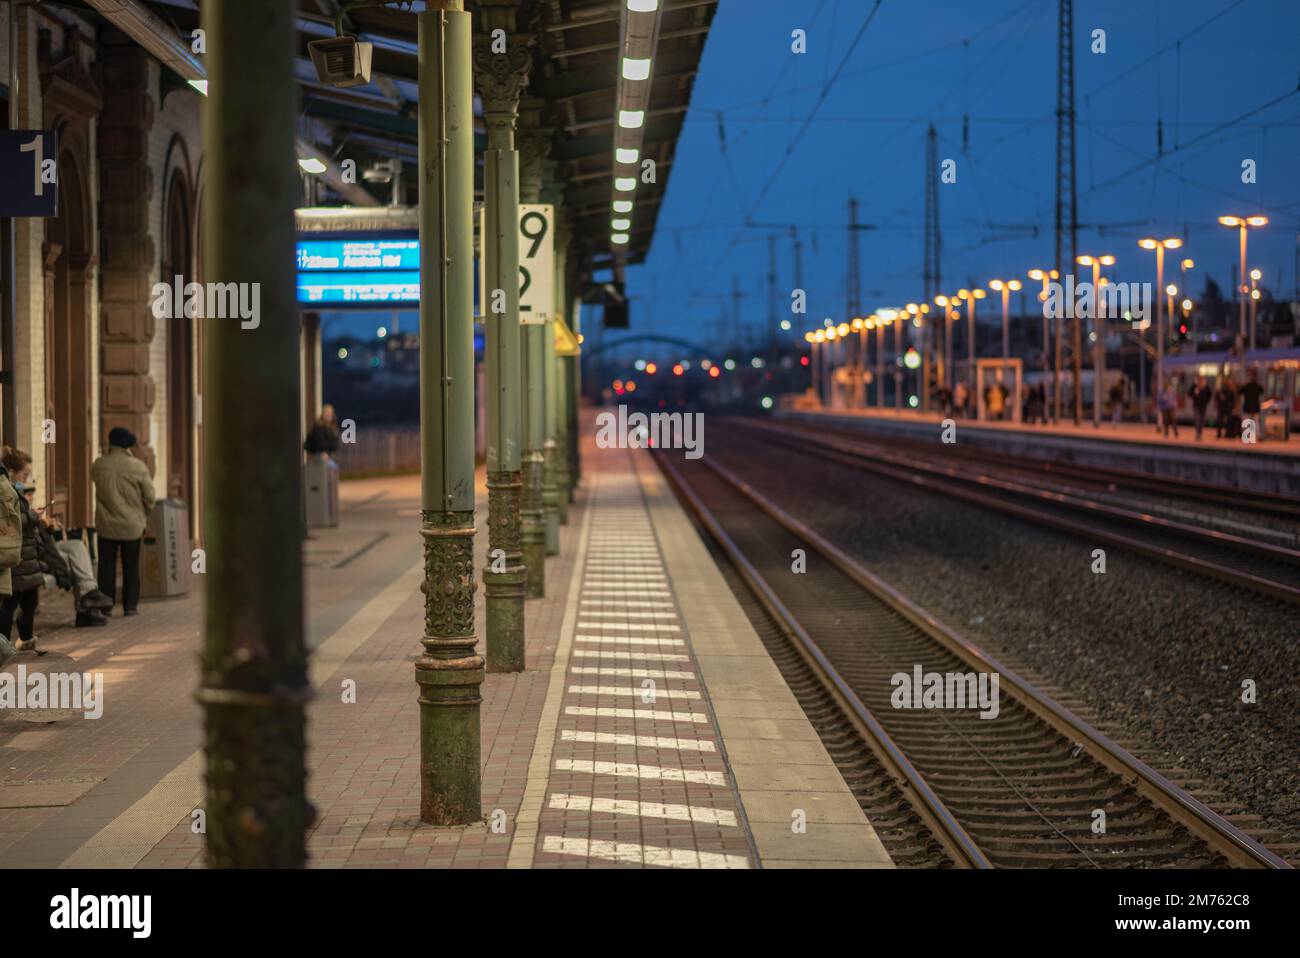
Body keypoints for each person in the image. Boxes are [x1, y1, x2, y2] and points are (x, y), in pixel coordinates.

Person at [0, 447, 73, 654]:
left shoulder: (14, 490)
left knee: (30, 602)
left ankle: (27, 642)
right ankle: (4, 648)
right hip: (16, 556)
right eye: (24, 475)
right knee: (10, 605)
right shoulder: (7, 490)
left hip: (27, 555)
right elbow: (11, 523)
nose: (27, 479)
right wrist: (33, 516)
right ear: (11, 472)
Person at [91, 427, 156, 617]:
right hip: (132, 525)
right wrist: (145, 513)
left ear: (110, 442)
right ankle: (130, 606)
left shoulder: (99, 465)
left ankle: (106, 605)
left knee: (106, 567)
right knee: (131, 566)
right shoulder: (137, 466)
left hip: (106, 524)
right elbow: (150, 496)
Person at [1240, 368, 1264, 442]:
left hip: (1247, 408)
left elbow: (1239, 392)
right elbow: (1262, 391)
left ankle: (1247, 437)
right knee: (1256, 422)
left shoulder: (1246, 386)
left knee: (1247, 422)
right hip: (1255, 408)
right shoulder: (1257, 385)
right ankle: (1258, 435)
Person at [1188, 375, 1213, 441]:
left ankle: (1200, 433)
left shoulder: (1206, 387)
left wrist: (1206, 401)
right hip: (1196, 405)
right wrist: (1194, 393)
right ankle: (1197, 433)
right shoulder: (1195, 386)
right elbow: (1189, 394)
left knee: (1201, 420)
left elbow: (1209, 395)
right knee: (1197, 419)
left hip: (1203, 406)